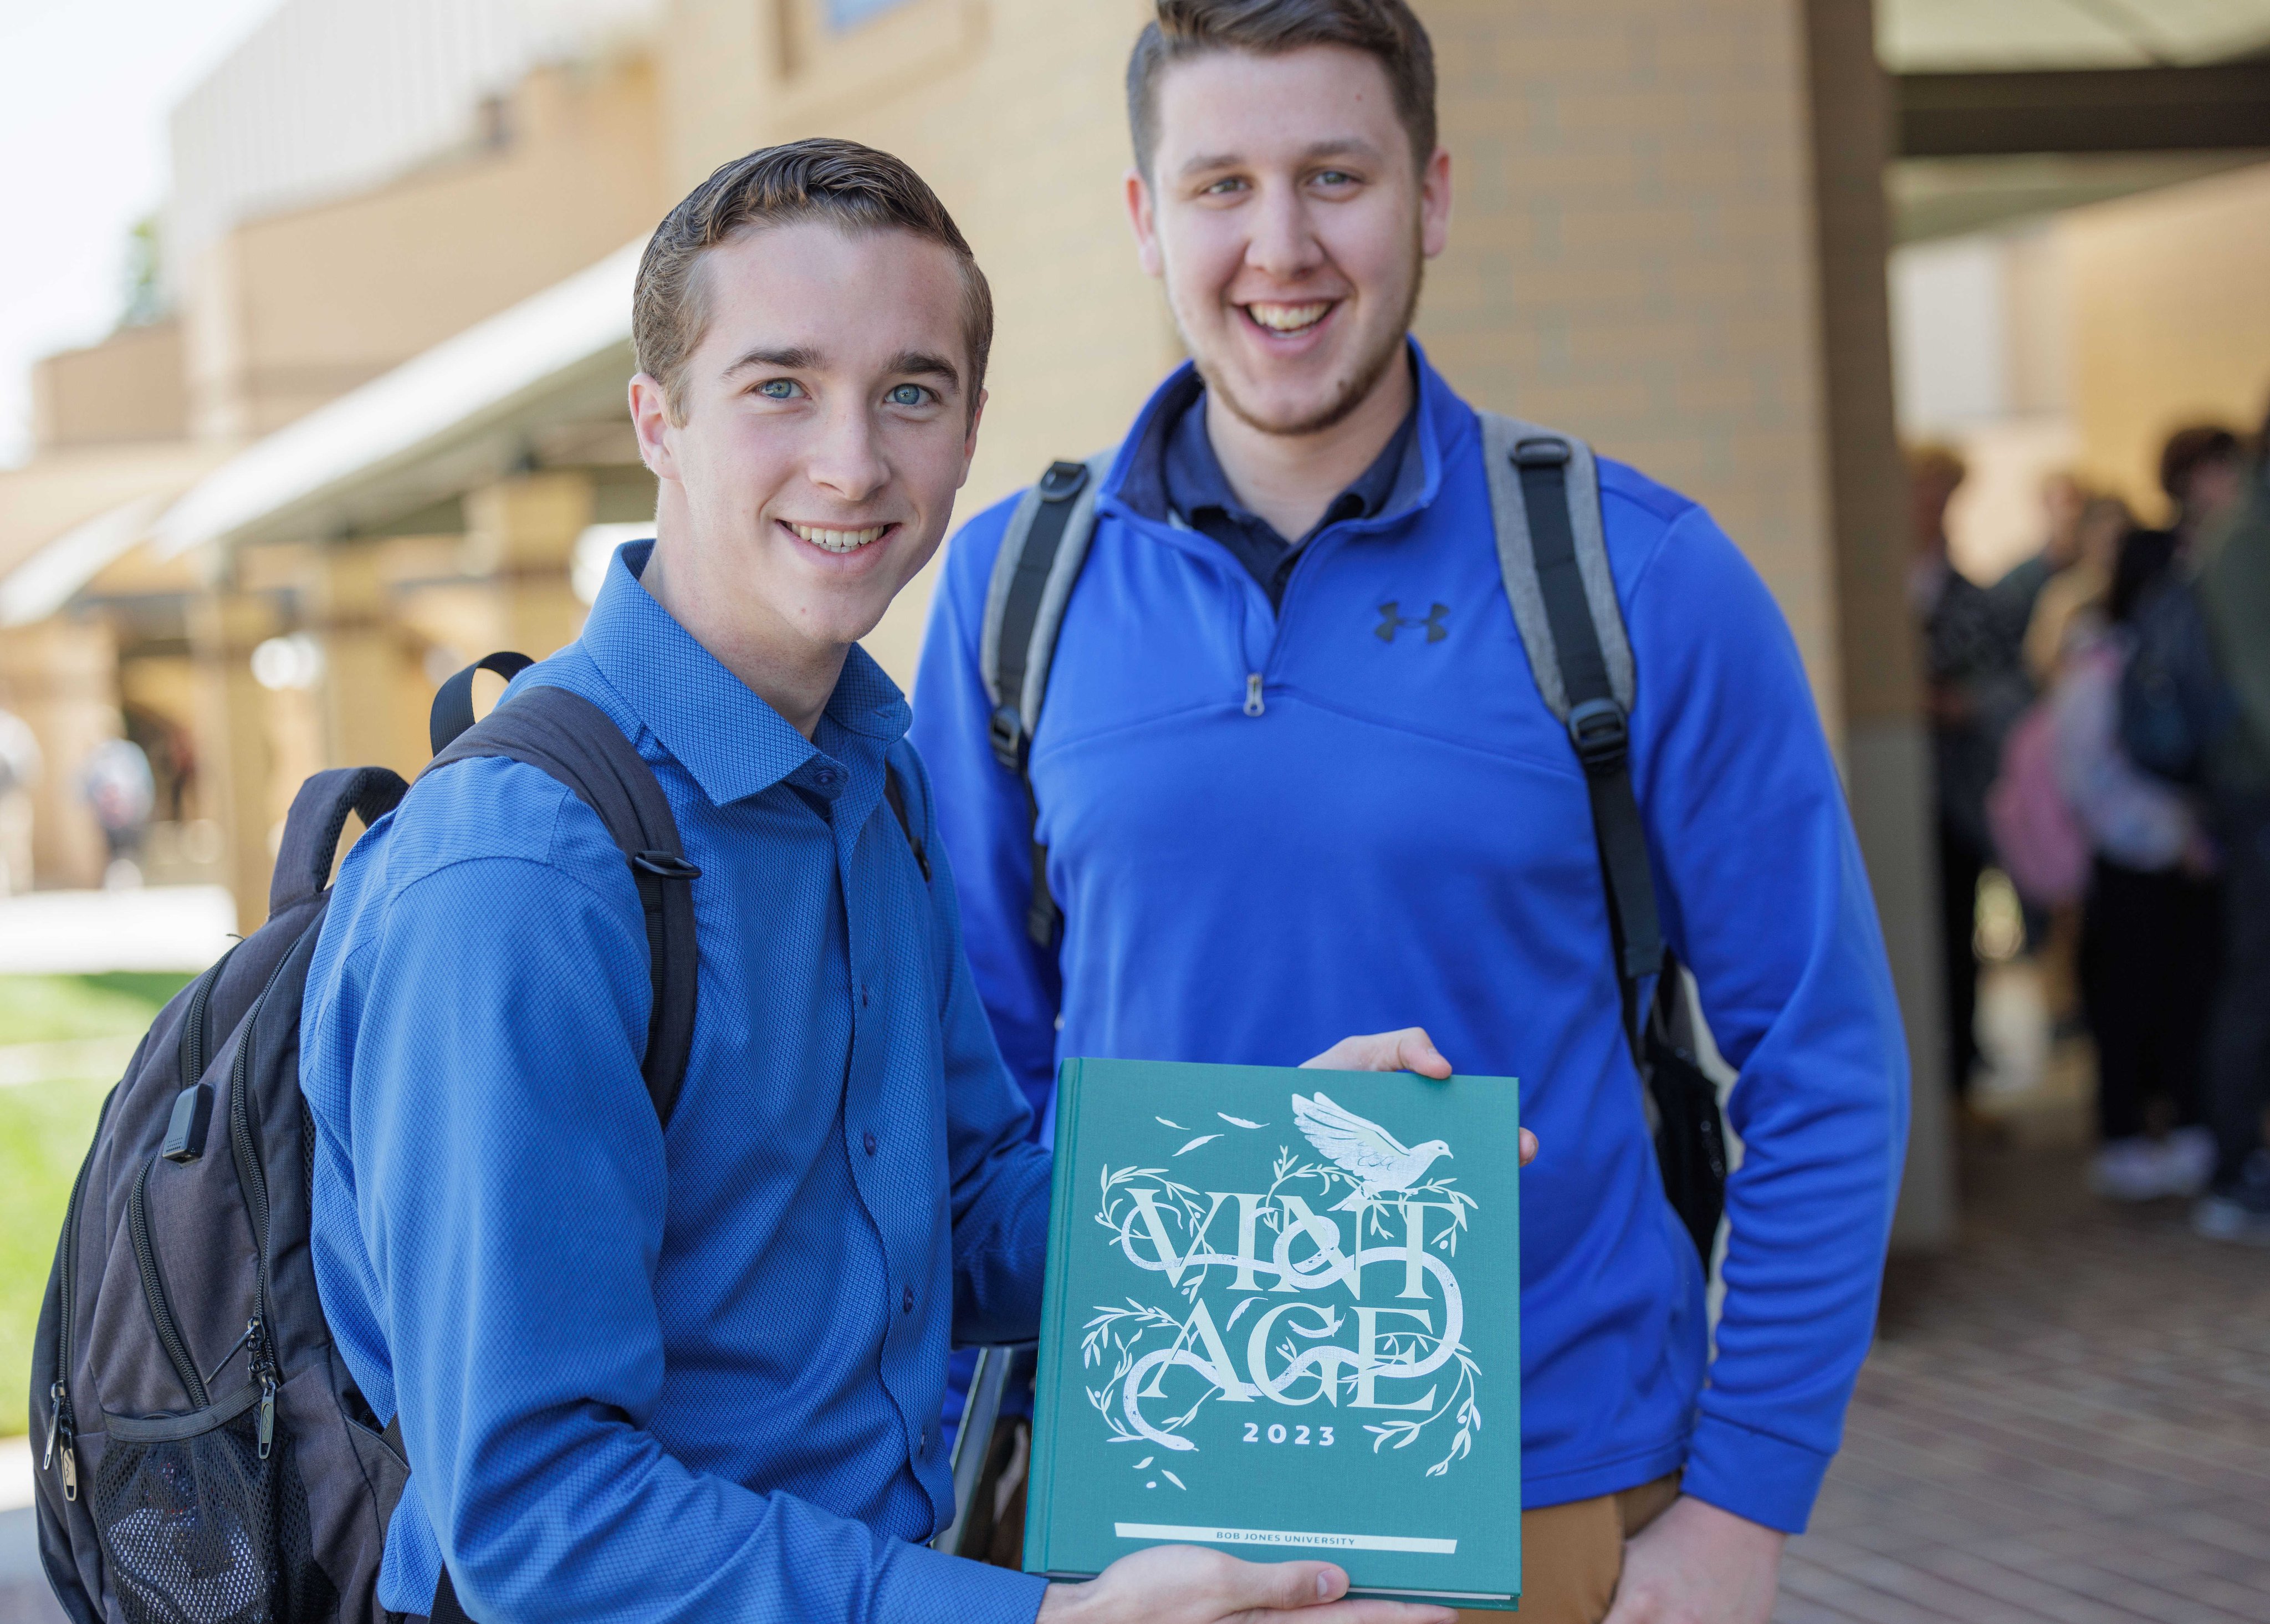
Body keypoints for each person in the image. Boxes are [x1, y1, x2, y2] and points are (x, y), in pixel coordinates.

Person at [301, 139, 1454, 1624]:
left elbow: (956, 1206)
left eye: (910, 391)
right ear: (658, 419)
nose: (853, 462)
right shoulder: (519, 880)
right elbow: (535, 1514)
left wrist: (1274, 1177)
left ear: (970, 429)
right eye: (780, 386)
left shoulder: (870, 769)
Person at [913, 6, 1907, 1621]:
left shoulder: (1634, 574)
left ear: (1431, 196)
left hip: (1545, 1501)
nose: (1281, 245)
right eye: (1222, 184)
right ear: (1145, 216)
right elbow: (977, 1087)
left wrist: (1741, 1504)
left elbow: (1826, 1058)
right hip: (1141, 1511)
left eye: (1336, 175)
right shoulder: (1012, 592)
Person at [2050, 529, 2218, 1201]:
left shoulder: (2155, 656)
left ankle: (2183, 1125)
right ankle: (2123, 1135)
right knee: (2126, 1006)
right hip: (2131, 863)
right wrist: (2161, 836)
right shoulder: (2096, 668)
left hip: (2175, 857)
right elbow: (2082, 778)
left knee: (2185, 1000)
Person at [1910, 445, 2028, 1110]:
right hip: (1901, 793)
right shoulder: (1872, 583)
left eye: (1943, 493)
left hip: (1956, 791)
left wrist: (1964, 703)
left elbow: (2010, 684)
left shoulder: (1976, 597)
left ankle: (1958, 1086)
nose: (1931, 507)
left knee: (1959, 935)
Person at [2190, 412, 2270, 1243]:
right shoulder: (2245, 535)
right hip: (2255, 793)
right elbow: (2260, 682)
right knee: (2256, 973)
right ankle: (2235, 1164)